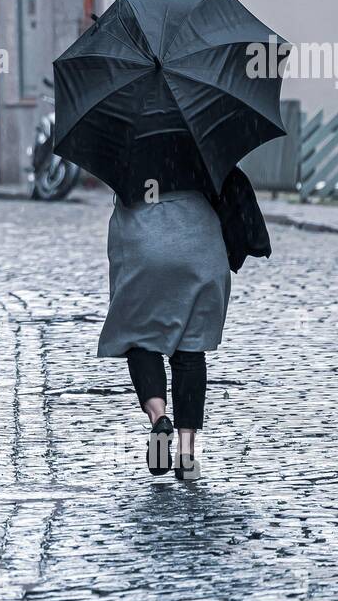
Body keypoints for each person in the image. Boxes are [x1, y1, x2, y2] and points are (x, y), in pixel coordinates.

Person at [97, 167, 269, 480]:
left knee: (140, 338)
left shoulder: (128, 145)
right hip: (198, 245)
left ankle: (159, 417)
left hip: (143, 246)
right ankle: (187, 455)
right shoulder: (201, 145)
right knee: (190, 352)